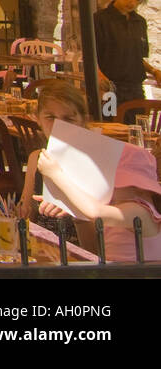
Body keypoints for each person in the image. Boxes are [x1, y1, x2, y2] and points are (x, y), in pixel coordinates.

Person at [18, 80, 161, 261]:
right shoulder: (117, 206)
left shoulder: (138, 211)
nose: (59, 125)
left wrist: (57, 175)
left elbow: (94, 213)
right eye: (50, 117)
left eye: (117, 181)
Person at [94, 0, 157, 108]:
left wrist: (153, 70)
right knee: (111, 126)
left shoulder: (139, 22)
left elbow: (137, 57)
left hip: (135, 89)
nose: (132, 3)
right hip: (110, 88)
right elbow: (91, 54)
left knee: (138, 126)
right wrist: (98, 75)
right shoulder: (100, 20)